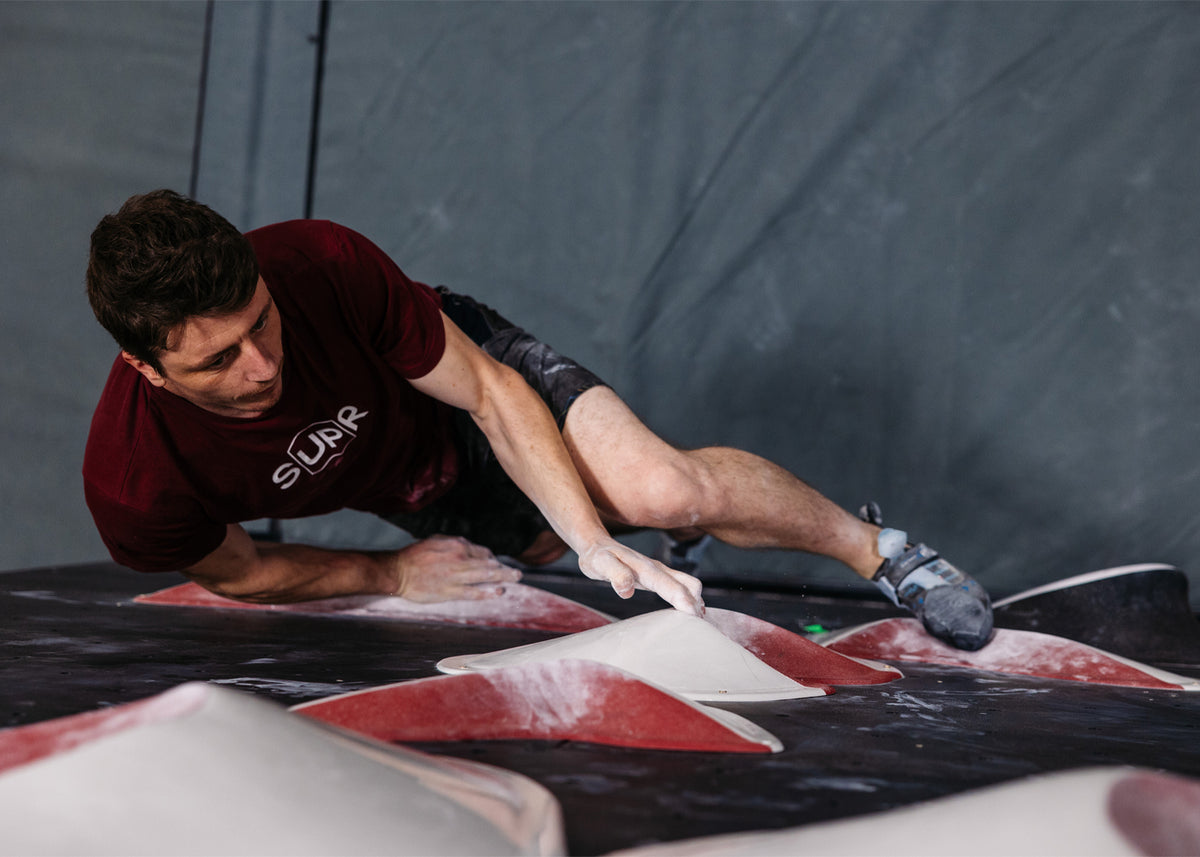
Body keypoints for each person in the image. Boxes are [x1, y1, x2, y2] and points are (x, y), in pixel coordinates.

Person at [82, 190, 993, 650]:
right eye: (218, 361)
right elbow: (239, 573)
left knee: (663, 488)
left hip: (461, 384)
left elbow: (487, 392)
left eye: (262, 324)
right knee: (564, 548)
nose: (263, 364)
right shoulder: (135, 479)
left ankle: (881, 551)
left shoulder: (318, 260)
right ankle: (662, 534)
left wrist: (595, 537)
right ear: (144, 364)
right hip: (415, 483)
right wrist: (390, 572)